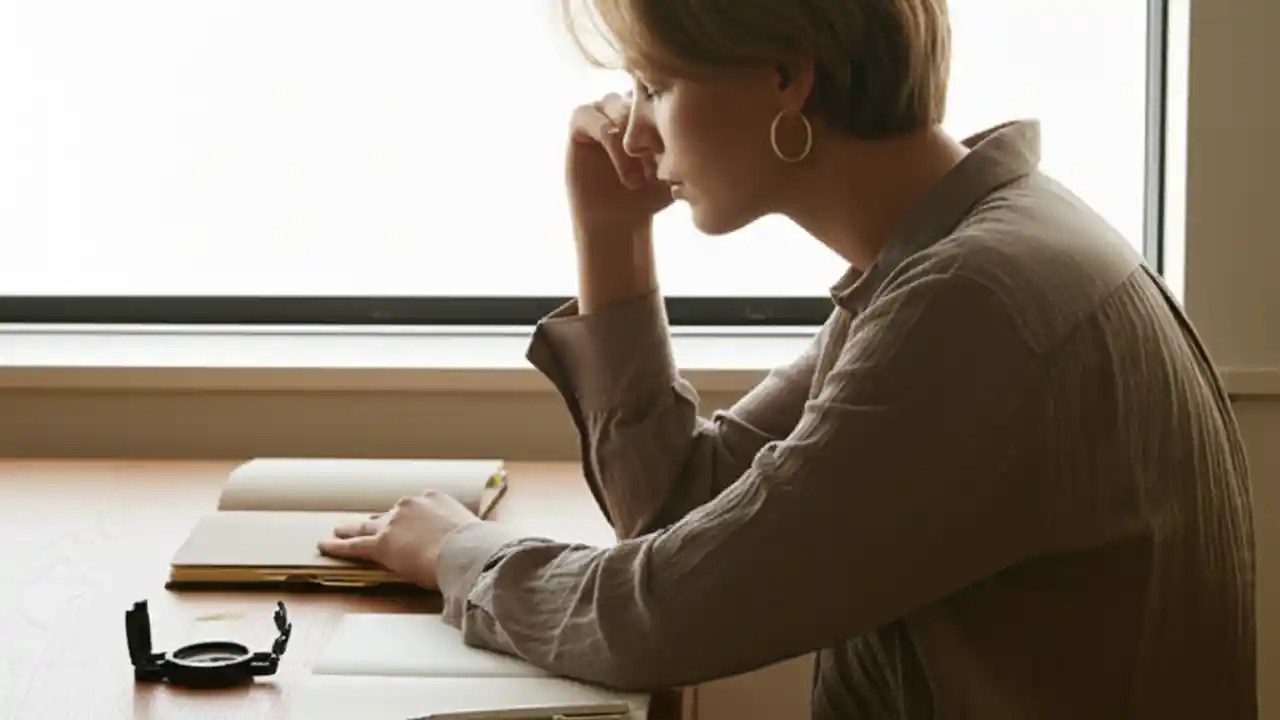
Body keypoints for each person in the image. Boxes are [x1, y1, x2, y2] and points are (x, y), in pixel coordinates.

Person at [318, 0, 1257, 717]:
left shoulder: (972, 309)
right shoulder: (956, 253)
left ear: (785, 76)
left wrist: (460, 555)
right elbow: (684, 508)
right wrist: (611, 239)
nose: (635, 132)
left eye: (657, 85)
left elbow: (664, 619)